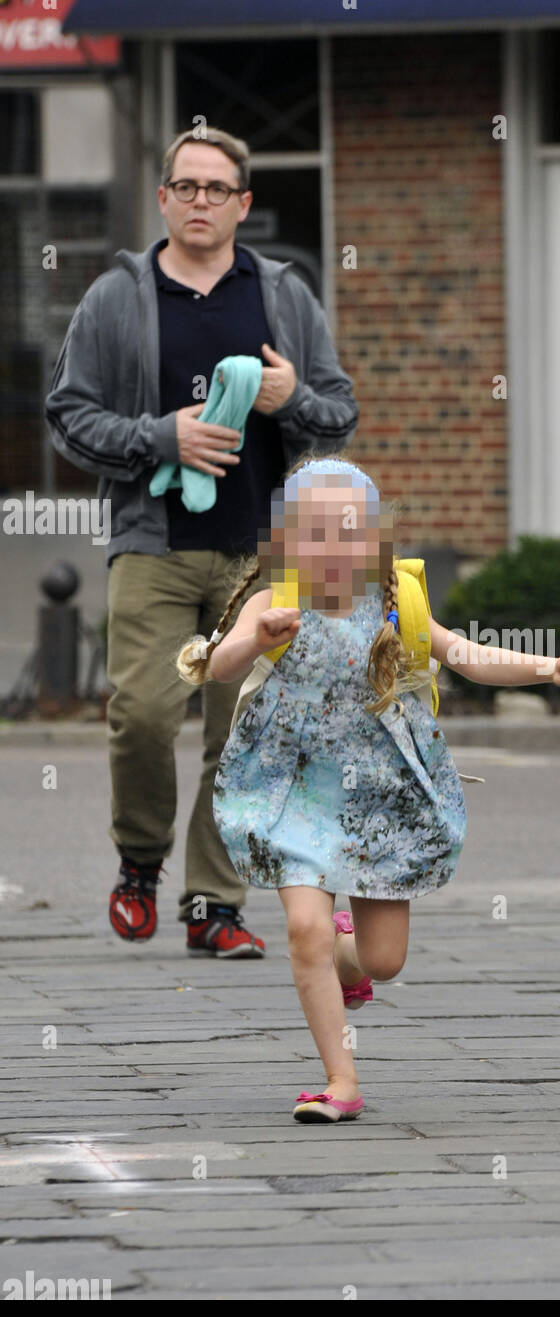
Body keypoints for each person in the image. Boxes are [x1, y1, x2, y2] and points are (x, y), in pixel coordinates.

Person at [175, 456, 560, 1122]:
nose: (333, 547)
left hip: (382, 793)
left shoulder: (397, 604)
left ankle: (348, 957)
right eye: (315, 532)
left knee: (383, 959)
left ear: (374, 540)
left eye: (349, 533)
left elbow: (465, 656)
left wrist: (549, 665)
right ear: (286, 541)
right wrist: (253, 637)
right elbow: (219, 665)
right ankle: (340, 1080)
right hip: (295, 788)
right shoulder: (274, 601)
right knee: (302, 930)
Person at [44, 126, 359, 957]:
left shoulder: (283, 293)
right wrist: (160, 438)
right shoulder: (118, 295)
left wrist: (292, 396)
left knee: (243, 732)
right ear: (163, 198)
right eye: (185, 187)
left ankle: (214, 904)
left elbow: (339, 413)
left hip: (261, 552)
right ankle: (140, 860)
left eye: (216, 190)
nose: (199, 202)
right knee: (143, 715)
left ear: (242, 205)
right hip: (154, 543)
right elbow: (68, 416)